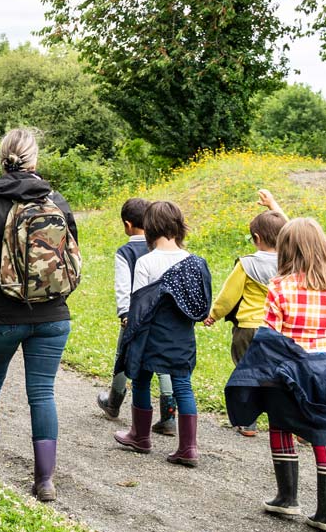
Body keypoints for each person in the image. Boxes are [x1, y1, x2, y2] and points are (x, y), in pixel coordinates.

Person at [0, 129, 80, 502]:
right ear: (34, 160)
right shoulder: (56, 200)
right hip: (54, 315)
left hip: (2, 316)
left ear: (3, 159)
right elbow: (68, 257)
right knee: (42, 392)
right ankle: (45, 480)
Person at [227, 218, 326, 532]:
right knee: (325, 433)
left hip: (290, 369)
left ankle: (287, 497)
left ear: (286, 250)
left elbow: (272, 335)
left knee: (280, 422)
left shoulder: (280, 288)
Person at [112, 200, 211, 465]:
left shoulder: (146, 262)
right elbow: (201, 306)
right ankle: (188, 448)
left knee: (141, 381)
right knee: (183, 386)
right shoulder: (195, 263)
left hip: (149, 337)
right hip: (181, 337)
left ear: (151, 228)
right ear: (180, 227)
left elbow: (139, 305)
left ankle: (140, 436)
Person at [204, 191, 291, 436]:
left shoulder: (247, 263)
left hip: (248, 328)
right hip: (278, 329)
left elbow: (229, 295)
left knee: (246, 373)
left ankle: (248, 422)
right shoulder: (290, 262)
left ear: (256, 238)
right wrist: (274, 206)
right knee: (278, 373)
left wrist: (214, 314)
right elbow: (294, 230)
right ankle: (286, 420)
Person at [96, 197, 176, 433]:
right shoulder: (161, 248)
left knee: (124, 356)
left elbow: (123, 286)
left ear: (127, 225)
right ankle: (169, 416)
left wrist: (124, 313)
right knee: (163, 362)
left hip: (134, 316)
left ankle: (113, 403)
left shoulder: (126, 251)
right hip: (161, 318)